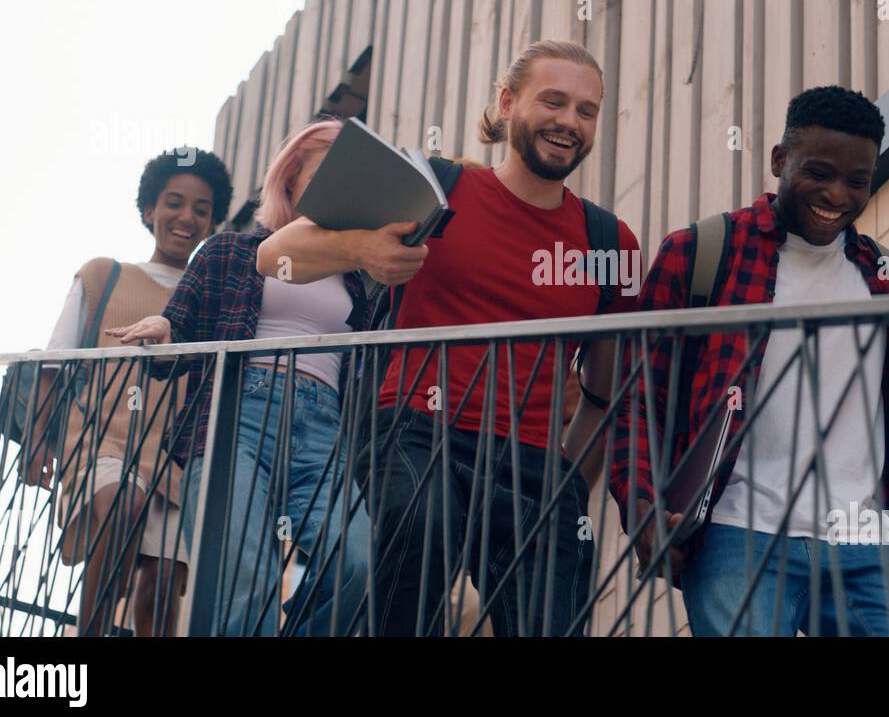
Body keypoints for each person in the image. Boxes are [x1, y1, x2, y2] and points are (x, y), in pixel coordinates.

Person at [256, 40, 642, 636]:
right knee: (418, 536)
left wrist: (568, 478)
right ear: (508, 103)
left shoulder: (607, 240)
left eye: (586, 111)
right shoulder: (434, 186)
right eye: (554, 101)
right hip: (415, 433)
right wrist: (360, 249)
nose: (569, 122)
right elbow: (274, 256)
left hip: (533, 460)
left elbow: (606, 387)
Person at [610, 85, 889, 636]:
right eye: (819, 172)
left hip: (865, 538)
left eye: (858, 181)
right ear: (780, 160)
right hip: (738, 534)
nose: (837, 194)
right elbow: (639, 399)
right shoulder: (704, 252)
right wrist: (642, 507)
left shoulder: (885, 277)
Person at [107, 120, 374, 636]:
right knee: (245, 577)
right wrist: (163, 329)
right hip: (239, 417)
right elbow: (178, 333)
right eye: (323, 174)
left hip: (325, 428)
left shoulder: (358, 278)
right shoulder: (230, 250)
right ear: (291, 178)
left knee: (357, 560)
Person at [41, 147, 232, 636]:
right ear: (149, 210)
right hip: (103, 441)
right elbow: (52, 363)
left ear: (212, 223)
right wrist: (40, 445)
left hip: (178, 460)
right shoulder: (105, 275)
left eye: (202, 209)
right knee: (122, 505)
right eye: (173, 202)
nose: (186, 217)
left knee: (164, 583)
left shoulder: (211, 300)